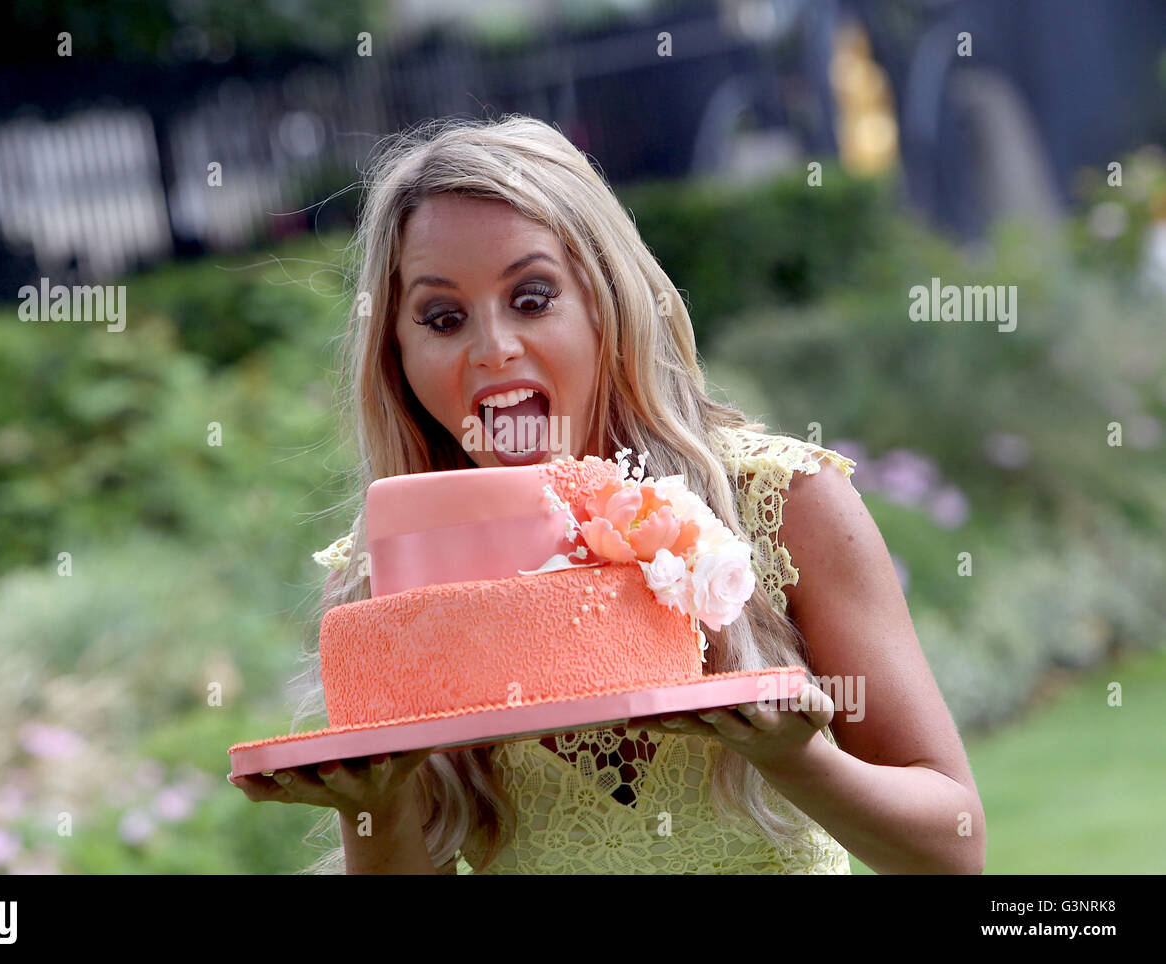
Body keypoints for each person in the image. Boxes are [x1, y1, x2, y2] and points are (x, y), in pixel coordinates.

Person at [230, 114, 986, 875]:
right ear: (399, 356)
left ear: (607, 302)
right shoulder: (384, 582)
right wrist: (375, 802)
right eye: (443, 317)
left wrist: (796, 761)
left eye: (531, 298)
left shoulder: (783, 503)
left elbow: (954, 850)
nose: (493, 348)